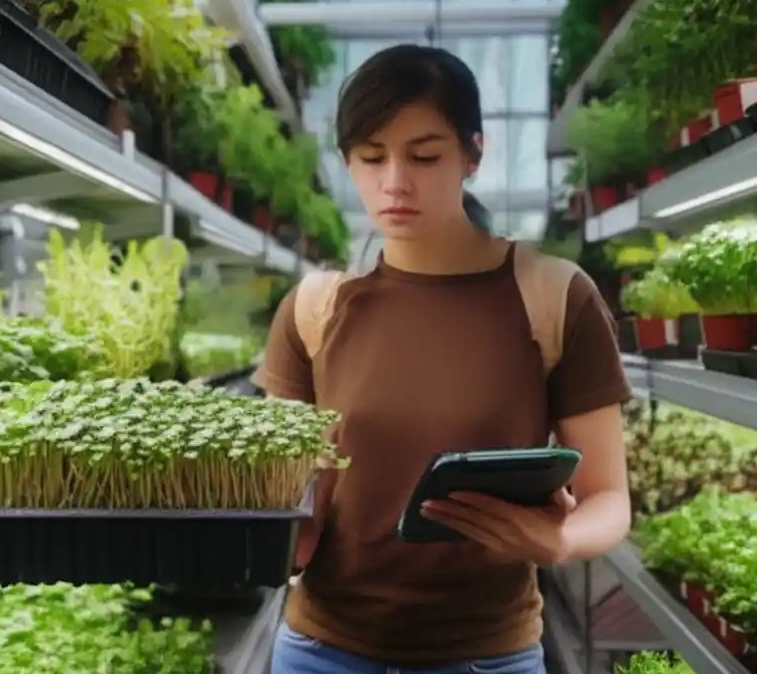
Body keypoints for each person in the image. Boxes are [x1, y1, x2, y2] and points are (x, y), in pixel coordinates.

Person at [254, 44, 632, 674]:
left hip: (487, 656)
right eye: (371, 158)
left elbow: (609, 499)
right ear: (348, 161)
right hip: (322, 652)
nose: (394, 181)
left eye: (424, 155)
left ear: (473, 154)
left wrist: (560, 539)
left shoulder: (554, 297)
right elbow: (292, 506)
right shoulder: (314, 311)